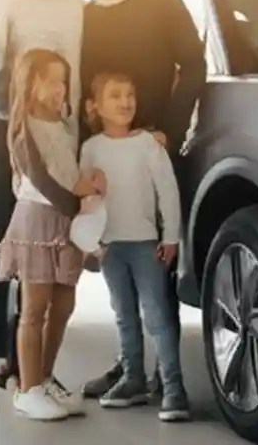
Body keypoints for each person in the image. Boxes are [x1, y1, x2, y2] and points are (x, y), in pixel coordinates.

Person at [76, 0, 206, 400]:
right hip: (105, 153)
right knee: (117, 264)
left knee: (156, 266)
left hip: (154, 145)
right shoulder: (84, 16)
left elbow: (193, 64)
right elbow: (81, 85)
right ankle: (129, 366)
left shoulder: (161, 0)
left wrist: (169, 127)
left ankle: (164, 376)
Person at [0, 0, 84, 360]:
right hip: (8, 124)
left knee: (46, 233)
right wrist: (22, 120)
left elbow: (76, 64)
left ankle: (28, 349)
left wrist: (66, 124)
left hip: (58, 127)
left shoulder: (73, 0)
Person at [0, 48, 105, 421]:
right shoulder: (23, 128)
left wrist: (88, 196)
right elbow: (41, 180)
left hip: (67, 223)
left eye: (63, 81)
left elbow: (73, 170)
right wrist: (77, 205)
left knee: (63, 306)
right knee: (34, 309)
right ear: (31, 82)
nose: (60, 88)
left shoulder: (65, 126)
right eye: (52, 80)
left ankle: (43, 378)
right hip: (39, 221)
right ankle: (27, 390)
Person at [80, 72, 190, 422]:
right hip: (110, 247)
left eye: (129, 94)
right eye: (115, 95)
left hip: (146, 245)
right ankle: (133, 380)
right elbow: (85, 199)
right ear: (96, 106)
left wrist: (170, 237)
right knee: (124, 315)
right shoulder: (90, 148)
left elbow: (167, 191)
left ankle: (174, 389)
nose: (125, 101)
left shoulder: (147, 144)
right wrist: (88, 243)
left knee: (158, 316)